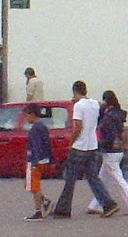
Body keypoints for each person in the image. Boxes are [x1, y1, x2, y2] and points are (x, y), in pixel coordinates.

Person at [49, 81, 118, 218]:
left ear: (75, 91)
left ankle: (63, 209)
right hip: (92, 145)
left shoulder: (78, 106)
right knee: (93, 178)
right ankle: (108, 204)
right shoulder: (94, 104)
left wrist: (71, 142)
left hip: (79, 146)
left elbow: (78, 126)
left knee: (70, 179)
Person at [91, 89, 128, 215]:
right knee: (102, 178)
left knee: (117, 178)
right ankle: (95, 204)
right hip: (118, 150)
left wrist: (99, 146)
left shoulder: (108, 118)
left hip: (110, 151)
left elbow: (108, 134)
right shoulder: (118, 114)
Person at [24, 105, 54, 219]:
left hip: (35, 161)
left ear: (32, 114)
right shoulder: (43, 127)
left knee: (34, 186)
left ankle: (38, 212)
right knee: (30, 185)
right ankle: (45, 202)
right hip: (44, 159)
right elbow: (47, 144)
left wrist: (34, 163)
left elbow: (36, 146)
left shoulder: (34, 129)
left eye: (26, 115)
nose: (25, 118)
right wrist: (51, 159)